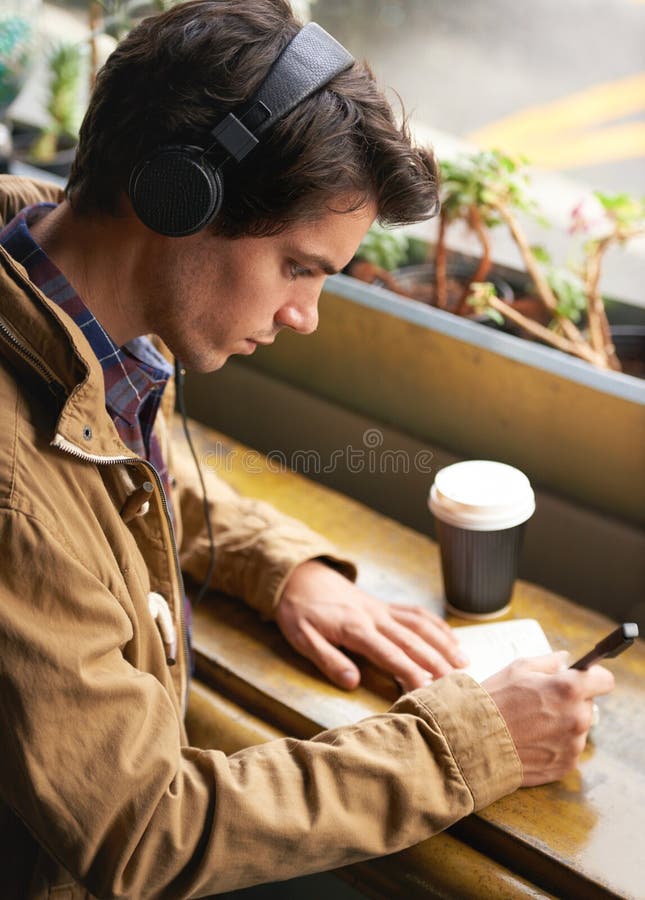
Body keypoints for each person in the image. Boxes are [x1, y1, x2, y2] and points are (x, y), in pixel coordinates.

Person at [0, 2, 614, 898]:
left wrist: (278, 566)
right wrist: (471, 742)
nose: (304, 316)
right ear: (176, 196)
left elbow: (91, 490)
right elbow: (143, 829)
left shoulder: (74, 313)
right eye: (297, 266)